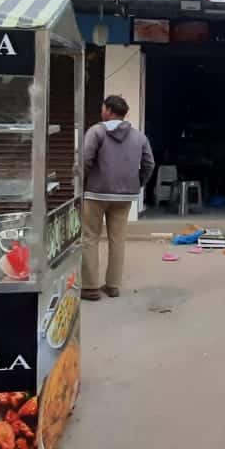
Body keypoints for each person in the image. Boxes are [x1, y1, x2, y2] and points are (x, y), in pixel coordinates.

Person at [81, 95, 154, 301]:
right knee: (118, 239)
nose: (101, 111)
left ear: (108, 110)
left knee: (90, 238)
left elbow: (85, 159)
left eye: (103, 108)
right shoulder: (139, 137)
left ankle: (90, 287)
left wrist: (80, 183)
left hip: (96, 193)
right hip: (124, 196)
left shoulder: (97, 131)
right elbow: (149, 165)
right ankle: (112, 285)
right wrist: (137, 184)